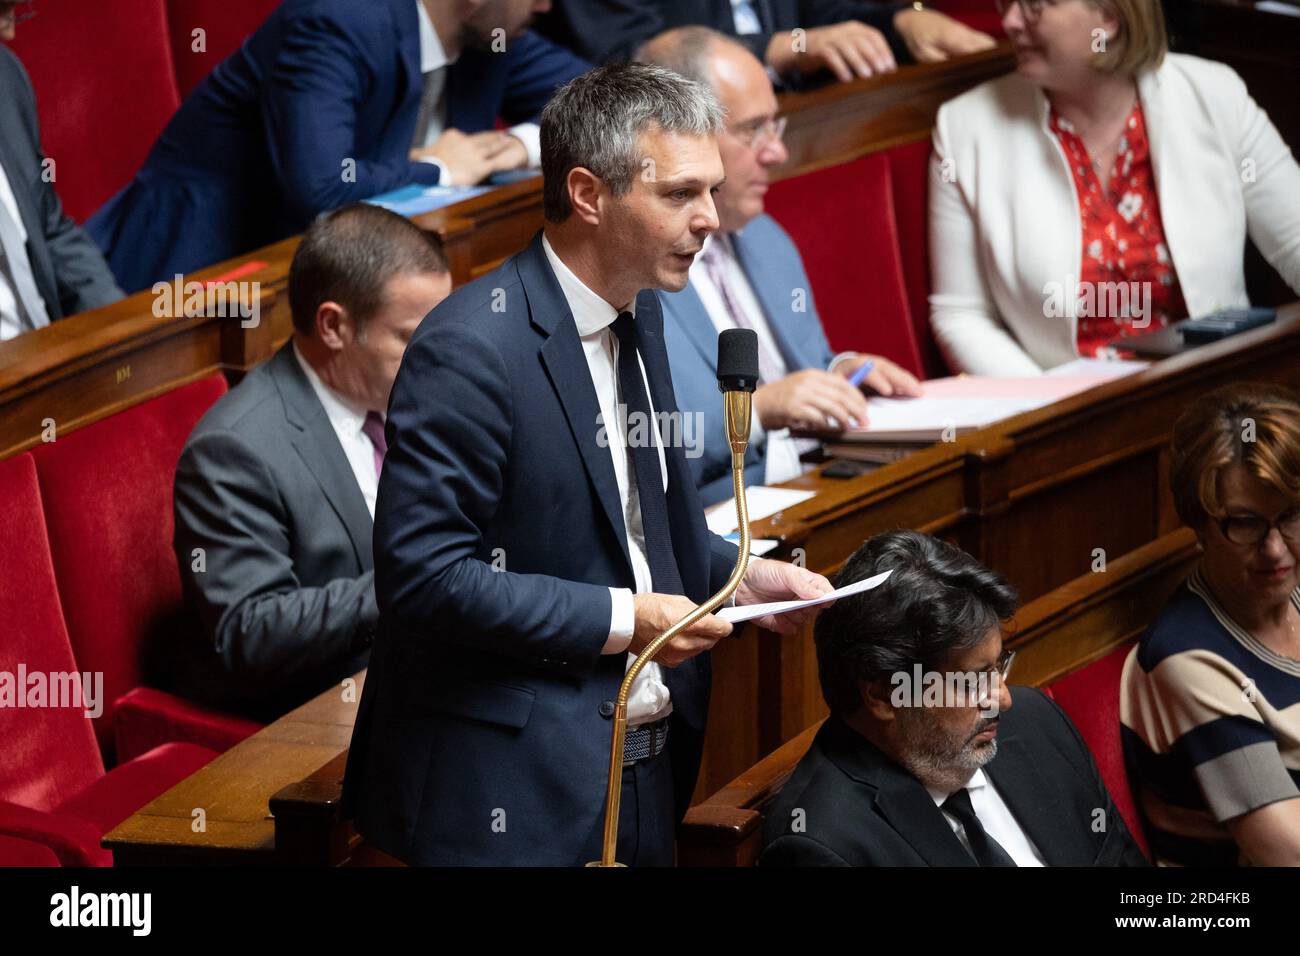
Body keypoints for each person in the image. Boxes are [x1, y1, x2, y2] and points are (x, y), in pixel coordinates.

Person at [342, 62, 834, 866]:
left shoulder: (638, 316)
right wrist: (625, 621)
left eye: (711, 190)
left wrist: (739, 578)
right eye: (680, 194)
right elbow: (423, 579)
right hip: (504, 790)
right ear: (588, 194)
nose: (710, 218)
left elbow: (628, 537)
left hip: (643, 762)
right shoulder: (471, 349)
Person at [87, 0, 589, 293]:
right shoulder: (336, 22)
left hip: (354, 276)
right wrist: (439, 169)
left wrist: (521, 145)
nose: (546, 5)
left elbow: (602, 101)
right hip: (200, 272)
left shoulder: (493, 37)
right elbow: (323, 187)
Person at [172, 204, 451, 720]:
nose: (440, 355)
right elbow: (250, 631)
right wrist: (417, 581)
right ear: (333, 327)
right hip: (317, 712)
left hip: (430, 669)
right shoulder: (235, 450)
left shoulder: (420, 394)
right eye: (411, 336)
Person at [928, 0, 1300, 375]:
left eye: (1035, 6)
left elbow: (1295, 240)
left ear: (1109, 17)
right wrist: (1048, 412)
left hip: (1213, 398)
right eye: (1006, 2)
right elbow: (962, 315)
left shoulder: (1214, 93)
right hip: (1067, 412)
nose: (1009, 22)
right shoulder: (964, 128)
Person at [640, 27, 920, 504]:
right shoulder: (632, 268)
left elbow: (799, 375)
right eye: (753, 130)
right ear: (680, 137)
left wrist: (842, 373)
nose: (778, 152)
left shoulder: (763, 235)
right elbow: (633, 449)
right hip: (721, 524)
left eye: (776, 125)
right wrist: (757, 410)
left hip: (823, 481)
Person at [762, 529, 1147, 866]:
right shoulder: (823, 844)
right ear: (883, 694)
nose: (1003, 699)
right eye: (973, 681)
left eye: (998, 667)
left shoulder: (1038, 725)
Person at [1122, 383, 1300, 867]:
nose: (1275, 549)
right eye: (1245, 523)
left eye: (1290, 516)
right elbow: (1286, 854)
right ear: (1200, 525)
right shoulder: (1188, 657)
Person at [0, 2, 122, 341]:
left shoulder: (6, 77)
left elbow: (50, 230)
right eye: (0, 13)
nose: (10, 31)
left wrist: (119, 327)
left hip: (49, 355)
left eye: (14, 12)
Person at [538, 0, 994, 85]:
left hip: (793, 133)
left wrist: (903, 22)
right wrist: (784, 48)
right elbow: (627, 61)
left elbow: (822, 18)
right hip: (688, 154)